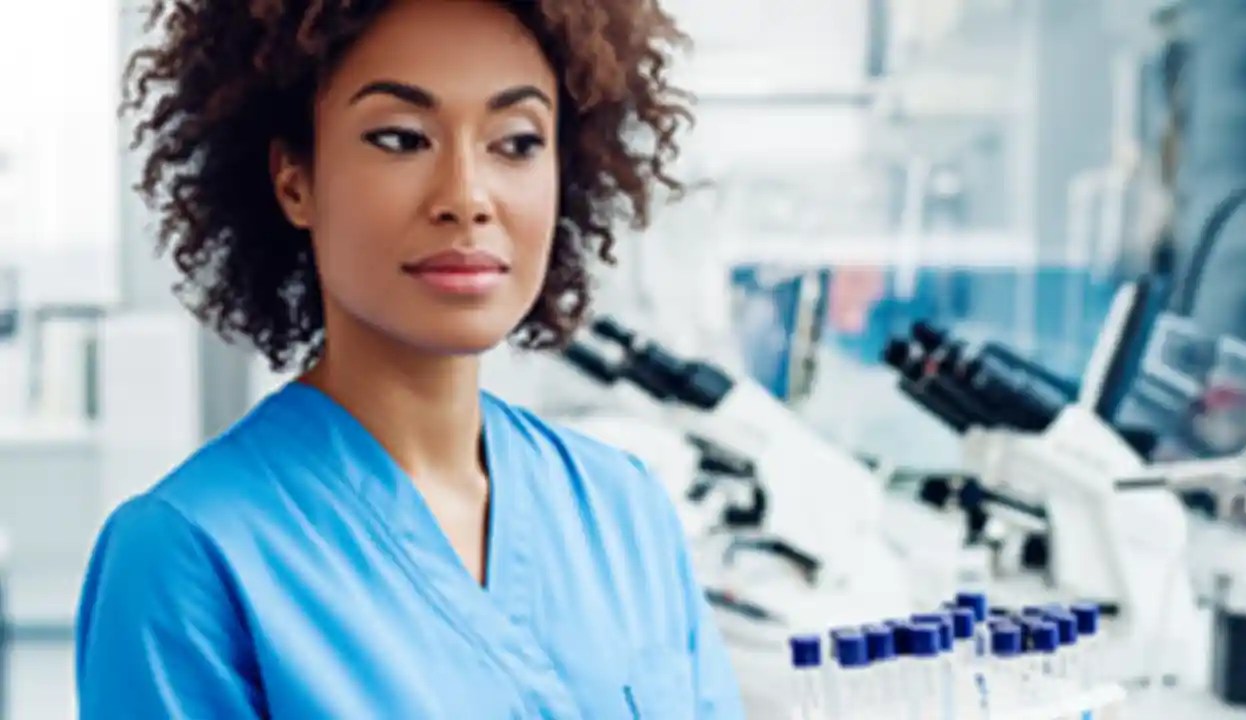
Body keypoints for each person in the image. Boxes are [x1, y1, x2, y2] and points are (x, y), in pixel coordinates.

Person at [75, 1, 745, 717]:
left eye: (516, 143)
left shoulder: (625, 513)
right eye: (401, 138)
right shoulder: (188, 556)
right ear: (295, 180)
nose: (467, 198)